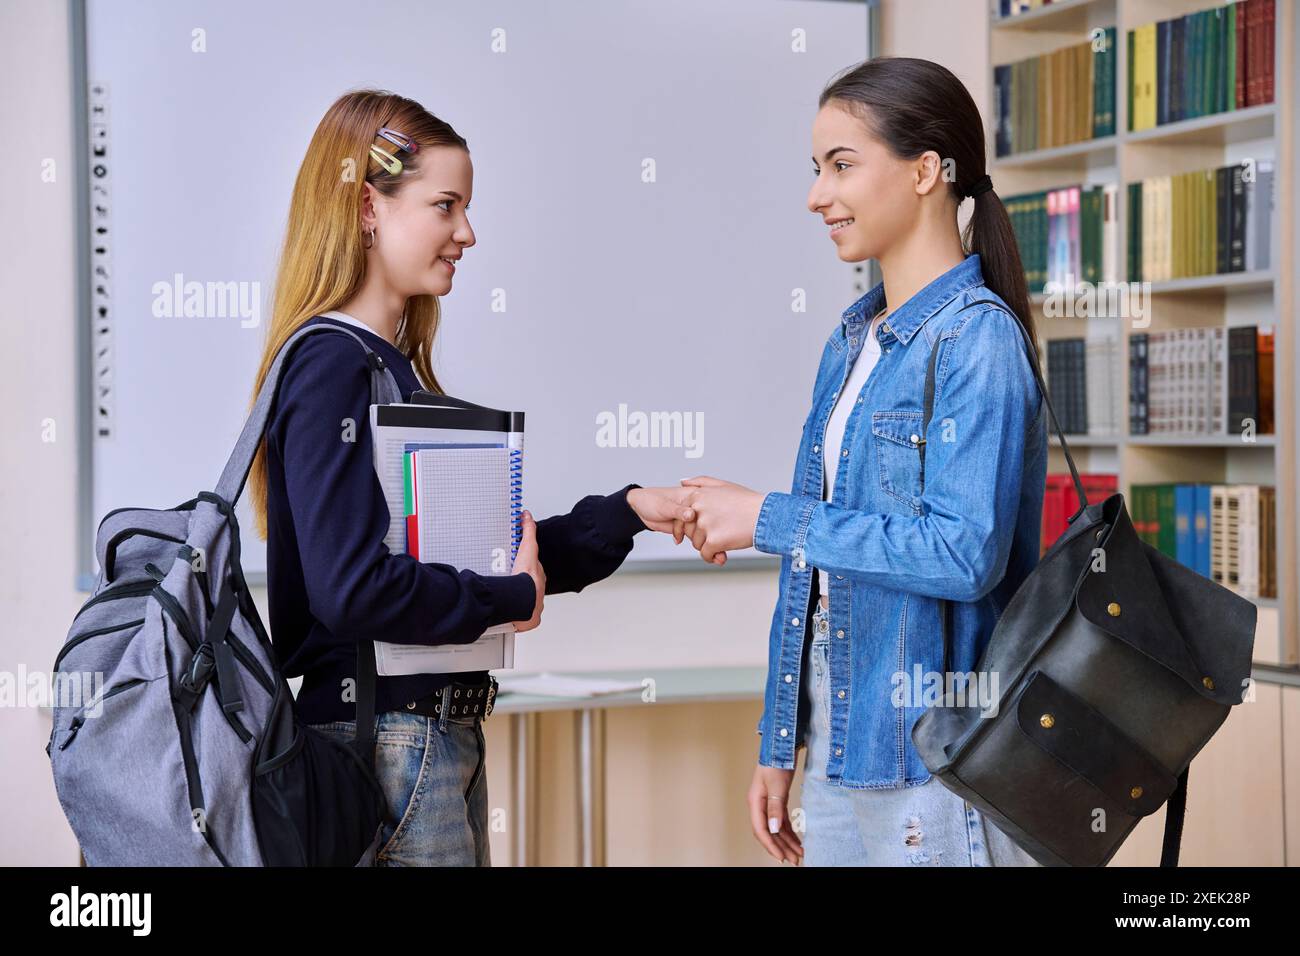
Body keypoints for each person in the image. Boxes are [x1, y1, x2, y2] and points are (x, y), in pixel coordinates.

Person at [245, 90, 691, 866]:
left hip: (425, 740)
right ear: (367, 209)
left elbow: (484, 560)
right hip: (387, 745)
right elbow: (352, 590)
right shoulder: (331, 366)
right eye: (445, 206)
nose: (467, 232)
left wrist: (626, 513)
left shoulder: (386, 369)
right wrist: (513, 600)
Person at [675, 58, 1048, 867]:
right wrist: (782, 743)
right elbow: (818, 574)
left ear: (924, 171)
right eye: (817, 170)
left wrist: (766, 517)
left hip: (937, 774)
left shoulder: (976, 340)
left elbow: (962, 553)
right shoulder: (852, 340)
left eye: (842, 166)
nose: (818, 195)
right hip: (844, 763)